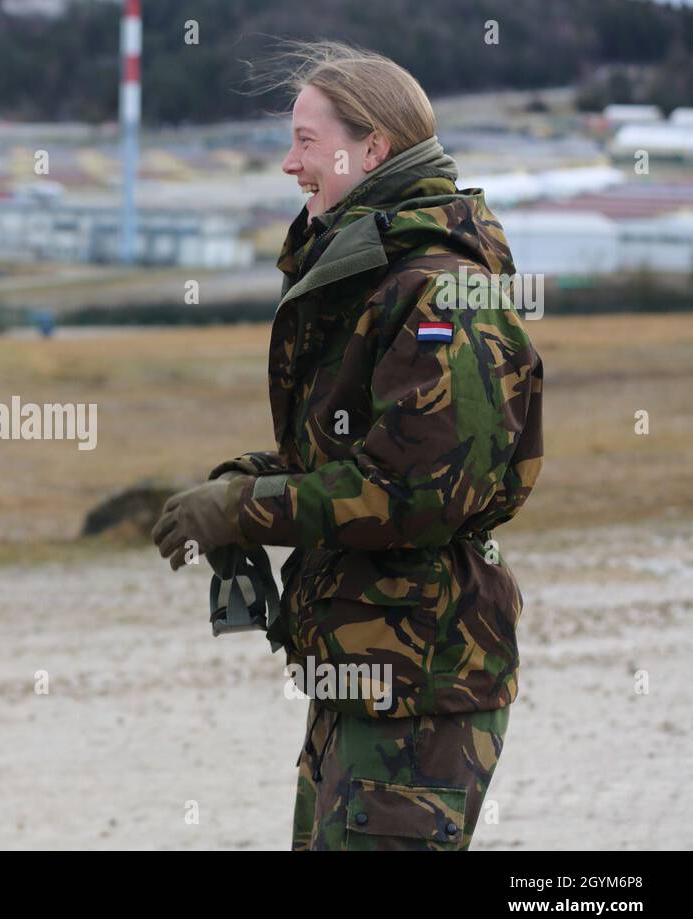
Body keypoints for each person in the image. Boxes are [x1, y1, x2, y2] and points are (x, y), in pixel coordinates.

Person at [152, 42, 544, 850]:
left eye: (305, 140)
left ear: (374, 149)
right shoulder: (380, 279)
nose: (289, 163)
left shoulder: (441, 294)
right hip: (368, 673)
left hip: (422, 680)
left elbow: (417, 494)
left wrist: (244, 508)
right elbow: (354, 461)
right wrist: (246, 483)